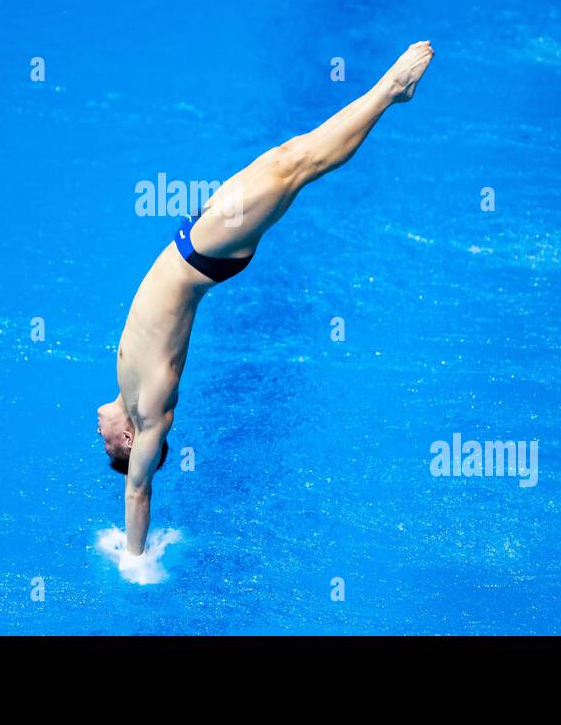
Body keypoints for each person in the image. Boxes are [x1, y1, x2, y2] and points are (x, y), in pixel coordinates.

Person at [97, 42, 435, 556]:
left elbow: (117, 435)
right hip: (208, 251)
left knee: (291, 155)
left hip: (200, 239)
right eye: (105, 445)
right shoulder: (150, 410)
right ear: (128, 443)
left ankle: (389, 91)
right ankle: (391, 90)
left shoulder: (127, 395)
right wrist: (132, 556)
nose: (97, 434)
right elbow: (138, 490)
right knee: (302, 164)